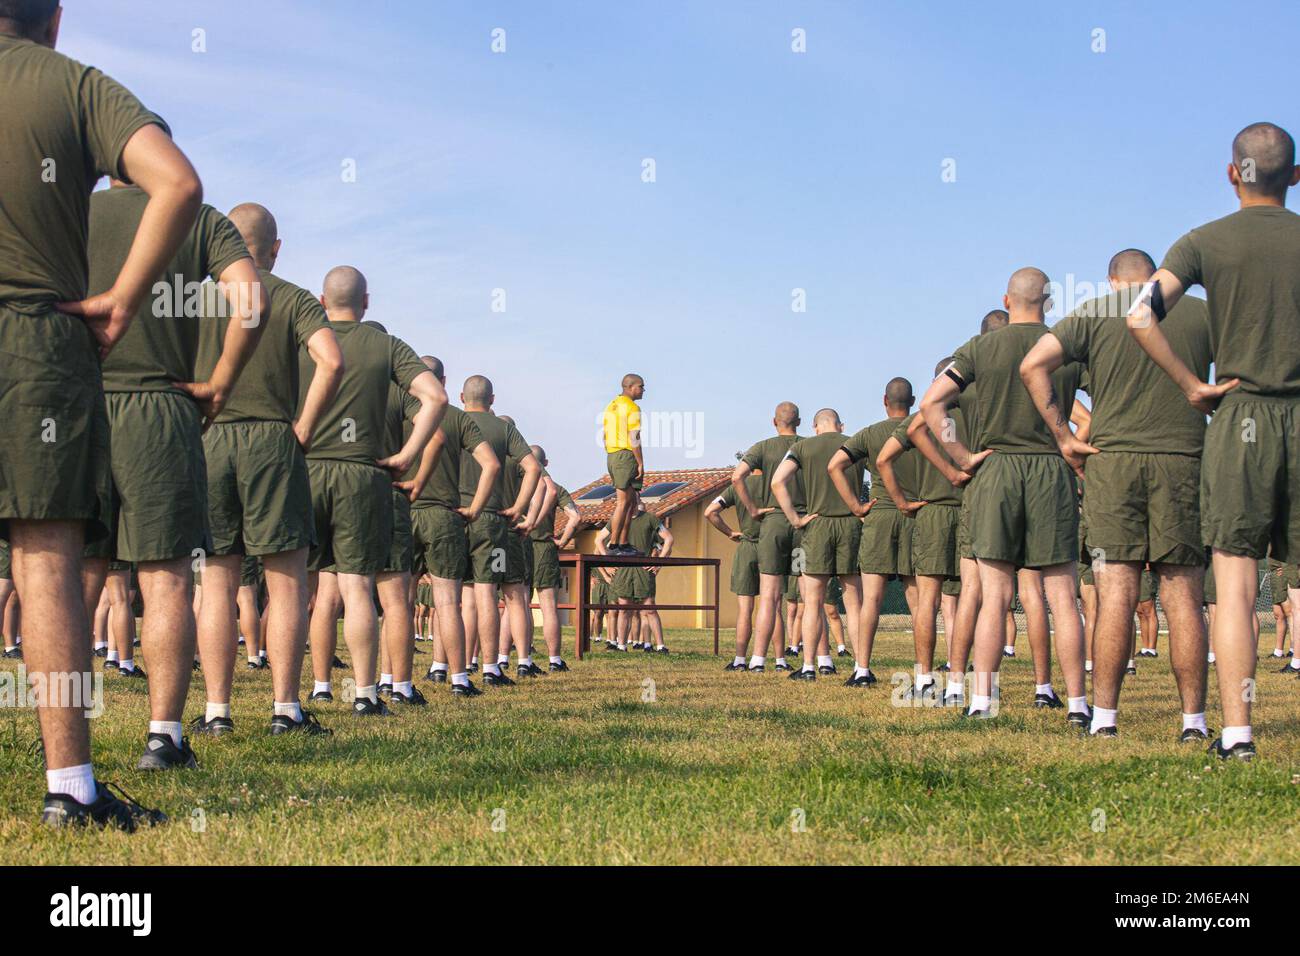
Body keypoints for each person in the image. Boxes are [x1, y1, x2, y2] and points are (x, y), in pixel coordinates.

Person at [1, 0, 210, 829]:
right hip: (36, 341)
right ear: (53, 20)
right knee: (46, 563)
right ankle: (71, 791)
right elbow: (179, 183)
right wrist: (123, 297)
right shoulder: (75, 84)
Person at [1126, 122, 1300, 759]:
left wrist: (1190, 385)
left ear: (1234, 174)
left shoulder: (1204, 241)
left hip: (1240, 416)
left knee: (1234, 583)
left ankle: (1237, 733)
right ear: (1296, 176)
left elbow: (1140, 314)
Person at [84, 176, 267, 767]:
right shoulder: (199, 216)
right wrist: (221, 381)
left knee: (68, 583)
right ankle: (163, 737)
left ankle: (62, 743)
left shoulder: (71, 208)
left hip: (75, 405)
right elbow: (250, 300)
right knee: (166, 581)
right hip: (160, 408)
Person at [1022, 247, 1213, 739]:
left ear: (1112, 282)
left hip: (1112, 463)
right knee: (1183, 599)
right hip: (1184, 460)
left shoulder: (1095, 312)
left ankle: (1104, 719)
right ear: (1158, 278)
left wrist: (1063, 435)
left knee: (1115, 596)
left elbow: (1032, 366)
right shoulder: (1200, 311)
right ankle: (1194, 722)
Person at [193, 204, 343, 737]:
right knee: (285, 586)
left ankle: (216, 713)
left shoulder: (200, 294)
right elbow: (331, 360)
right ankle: (285, 710)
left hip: (209, 440)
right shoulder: (294, 296)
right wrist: (303, 426)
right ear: (276, 248)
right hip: (273, 441)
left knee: (216, 583)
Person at [920, 268, 1090, 724]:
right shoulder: (1068, 346)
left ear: (1006, 299)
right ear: (1048, 301)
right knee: (1061, 597)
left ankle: (981, 700)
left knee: (993, 595)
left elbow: (931, 404)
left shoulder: (979, 348)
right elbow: (1098, 411)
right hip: (1052, 470)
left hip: (995, 469)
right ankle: (1076, 705)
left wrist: (962, 455)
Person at [300, 267, 446, 715]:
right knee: (359, 588)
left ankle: (306, 692)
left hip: (305, 469)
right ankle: (365, 694)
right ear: (367, 303)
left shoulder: (303, 336)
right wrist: (407, 455)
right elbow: (436, 398)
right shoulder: (386, 346)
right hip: (362, 477)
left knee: (305, 592)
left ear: (322, 301)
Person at [410, 358, 498, 695]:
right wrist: (475, 509)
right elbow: (492, 465)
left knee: (397, 603)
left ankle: (393, 680)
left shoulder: (400, 410)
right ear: (444, 382)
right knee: (451, 602)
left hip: (406, 512)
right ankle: (461, 678)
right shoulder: (459, 419)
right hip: (448, 514)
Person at [829, 379, 920, 687]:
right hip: (915, 514)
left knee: (872, 599)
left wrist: (856, 505)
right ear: (913, 400)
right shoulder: (926, 427)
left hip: (879, 515)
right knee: (918, 600)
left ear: (884, 400)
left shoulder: (869, 433)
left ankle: (863, 669)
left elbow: (835, 466)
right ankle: (923, 673)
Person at [458, 376, 542, 686]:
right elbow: (535, 470)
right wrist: (519, 508)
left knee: (455, 596)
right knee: (492, 594)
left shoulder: (450, 420)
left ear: (460, 396)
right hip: (494, 525)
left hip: (455, 517)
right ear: (492, 400)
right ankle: (494, 667)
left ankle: (453, 666)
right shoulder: (505, 431)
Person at [771, 408, 865, 681]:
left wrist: (796, 519)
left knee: (812, 602)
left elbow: (778, 482)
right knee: (854, 603)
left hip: (818, 524)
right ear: (841, 425)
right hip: (851, 525)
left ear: (815, 427)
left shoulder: (802, 447)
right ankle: (861, 667)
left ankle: (809, 666)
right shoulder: (855, 444)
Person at [732, 403, 802, 672]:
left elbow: (737, 476)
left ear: (775, 422)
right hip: (802, 525)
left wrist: (751, 509)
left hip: (771, 526)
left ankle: (757, 660)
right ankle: (817, 662)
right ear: (800, 421)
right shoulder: (806, 447)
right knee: (811, 598)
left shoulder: (762, 447)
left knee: (768, 598)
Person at [527, 446, 580, 672]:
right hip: (545, 548)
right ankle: (554, 660)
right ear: (546, 463)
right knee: (549, 606)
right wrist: (563, 540)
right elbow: (576, 517)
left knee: (514, 604)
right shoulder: (556, 489)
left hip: (519, 545)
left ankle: (515, 657)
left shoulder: (519, 485)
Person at [705, 473, 766, 670]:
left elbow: (710, 512)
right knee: (771, 606)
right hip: (770, 547)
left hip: (746, 546)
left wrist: (730, 532)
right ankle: (777, 660)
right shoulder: (776, 482)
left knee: (745, 609)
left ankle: (740, 660)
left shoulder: (738, 487)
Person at [603, 374, 646, 554]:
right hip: (625, 454)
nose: (643, 390)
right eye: (640, 386)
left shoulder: (611, 406)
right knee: (623, 502)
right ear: (629, 387)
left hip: (613, 454)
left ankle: (623, 542)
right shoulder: (632, 407)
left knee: (630, 502)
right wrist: (640, 462)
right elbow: (634, 436)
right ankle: (613, 544)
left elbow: (605, 435)